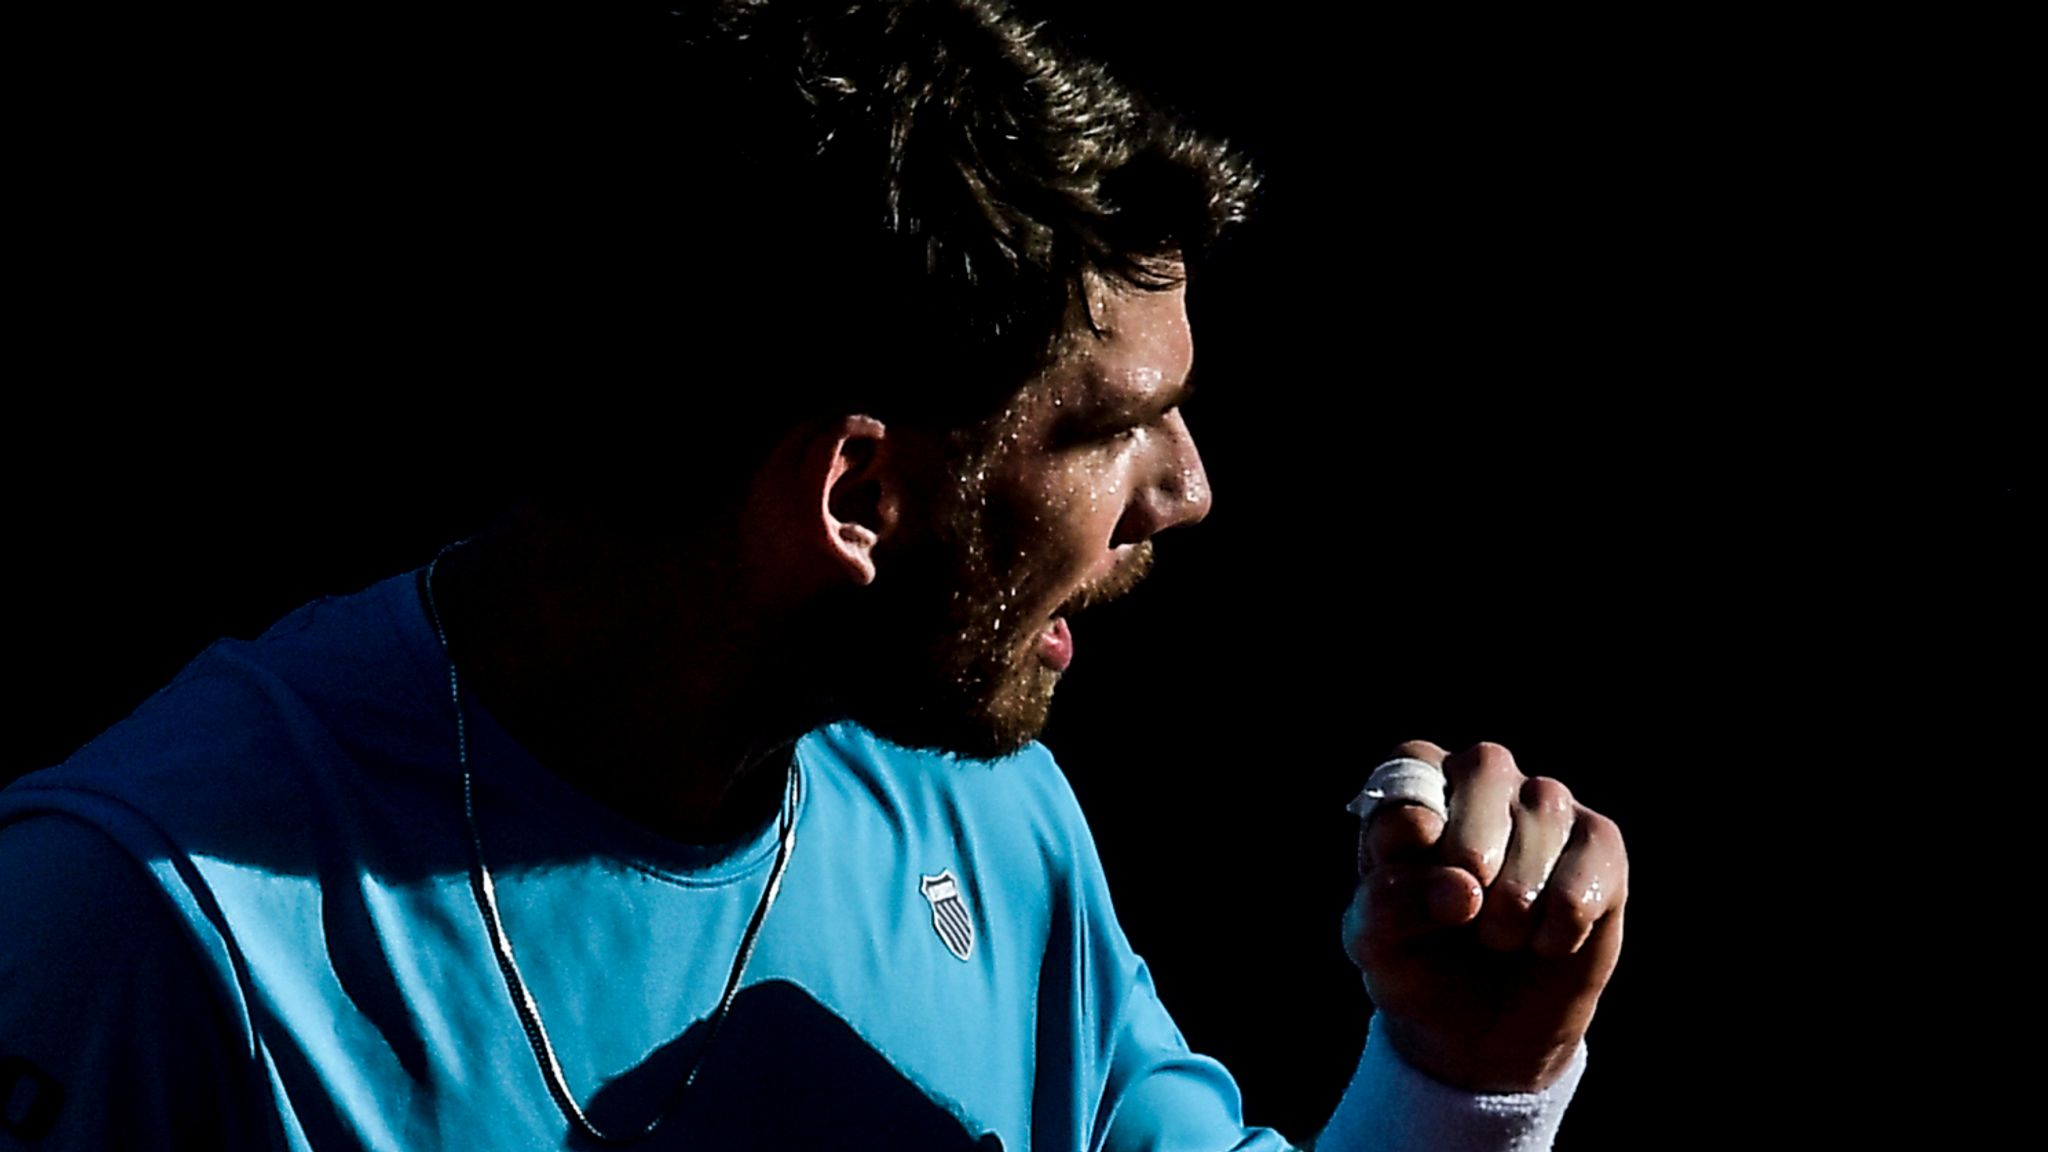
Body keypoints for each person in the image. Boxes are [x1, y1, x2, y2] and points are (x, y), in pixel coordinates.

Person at [0, 2, 1626, 1148]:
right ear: (854, 493)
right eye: (1112, 428)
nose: (1186, 491)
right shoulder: (135, 928)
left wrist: (1465, 1078)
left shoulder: (991, 825)